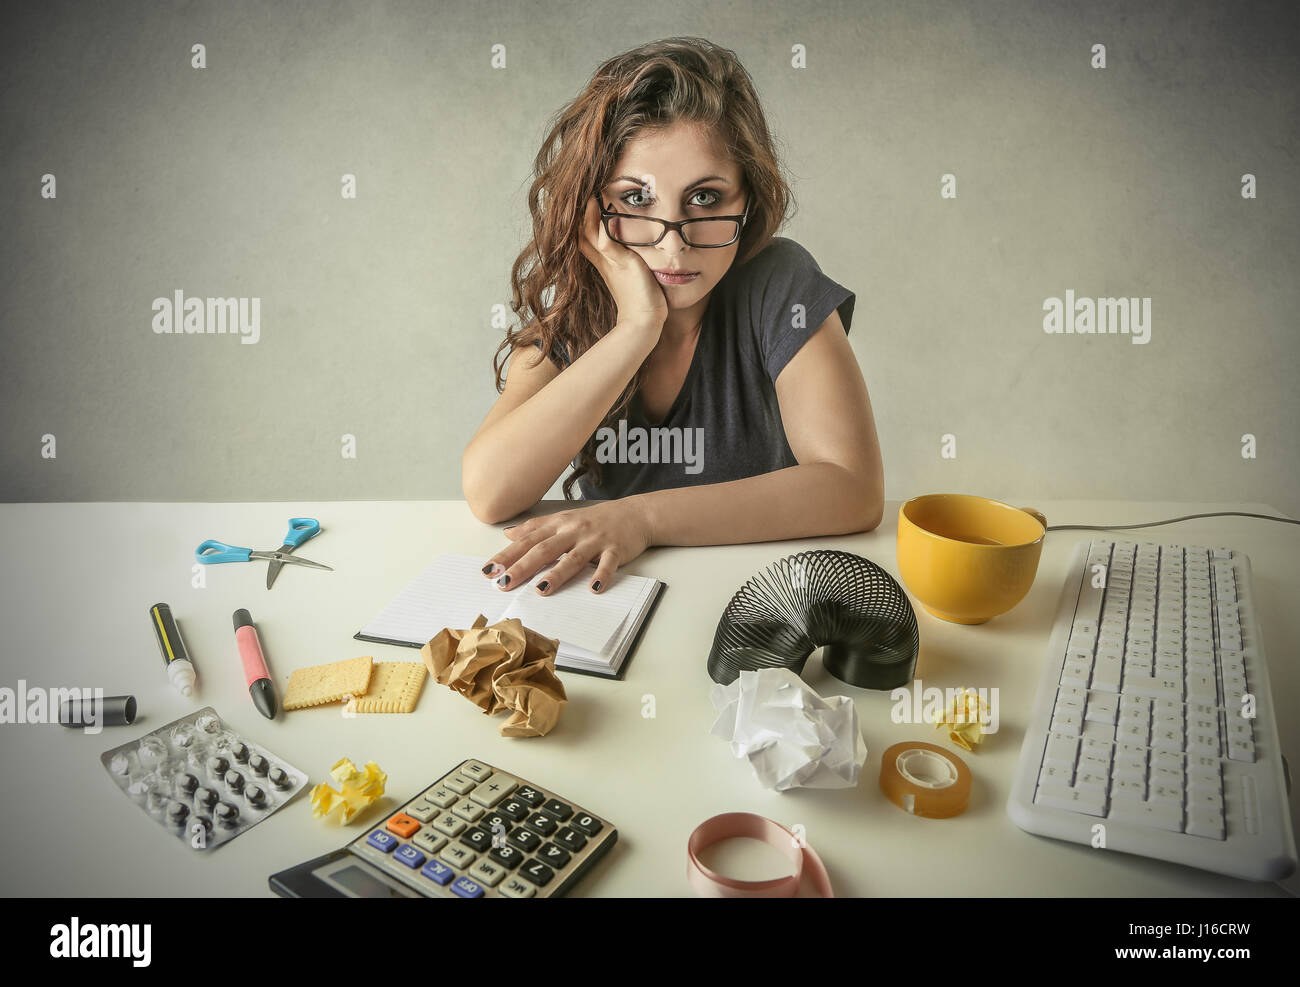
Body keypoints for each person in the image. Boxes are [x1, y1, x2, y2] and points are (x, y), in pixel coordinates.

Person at [463, 37, 883, 596]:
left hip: (757, 598)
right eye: (637, 200)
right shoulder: (576, 306)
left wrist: (642, 519)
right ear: (592, 207)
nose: (672, 247)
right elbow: (490, 491)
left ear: (746, 200)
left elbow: (851, 488)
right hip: (603, 596)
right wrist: (637, 328)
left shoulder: (779, 284)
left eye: (705, 200)